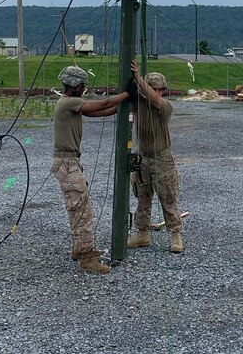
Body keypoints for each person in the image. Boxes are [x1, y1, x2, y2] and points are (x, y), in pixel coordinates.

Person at [52, 65, 130, 274]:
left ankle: (79, 249)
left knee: (77, 206)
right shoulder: (69, 102)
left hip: (69, 161)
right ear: (75, 85)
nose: (84, 88)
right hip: (67, 162)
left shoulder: (70, 104)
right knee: (82, 210)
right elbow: (102, 103)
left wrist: (121, 107)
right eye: (82, 85)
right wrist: (126, 95)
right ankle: (86, 257)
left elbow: (98, 112)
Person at [125, 59, 184, 253]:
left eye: (160, 89)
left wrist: (138, 78)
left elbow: (156, 100)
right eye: (154, 89)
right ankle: (142, 234)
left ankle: (175, 235)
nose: (157, 93)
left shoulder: (165, 106)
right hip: (144, 158)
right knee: (143, 198)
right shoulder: (139, 104)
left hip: (162, 158)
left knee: (168, 198)